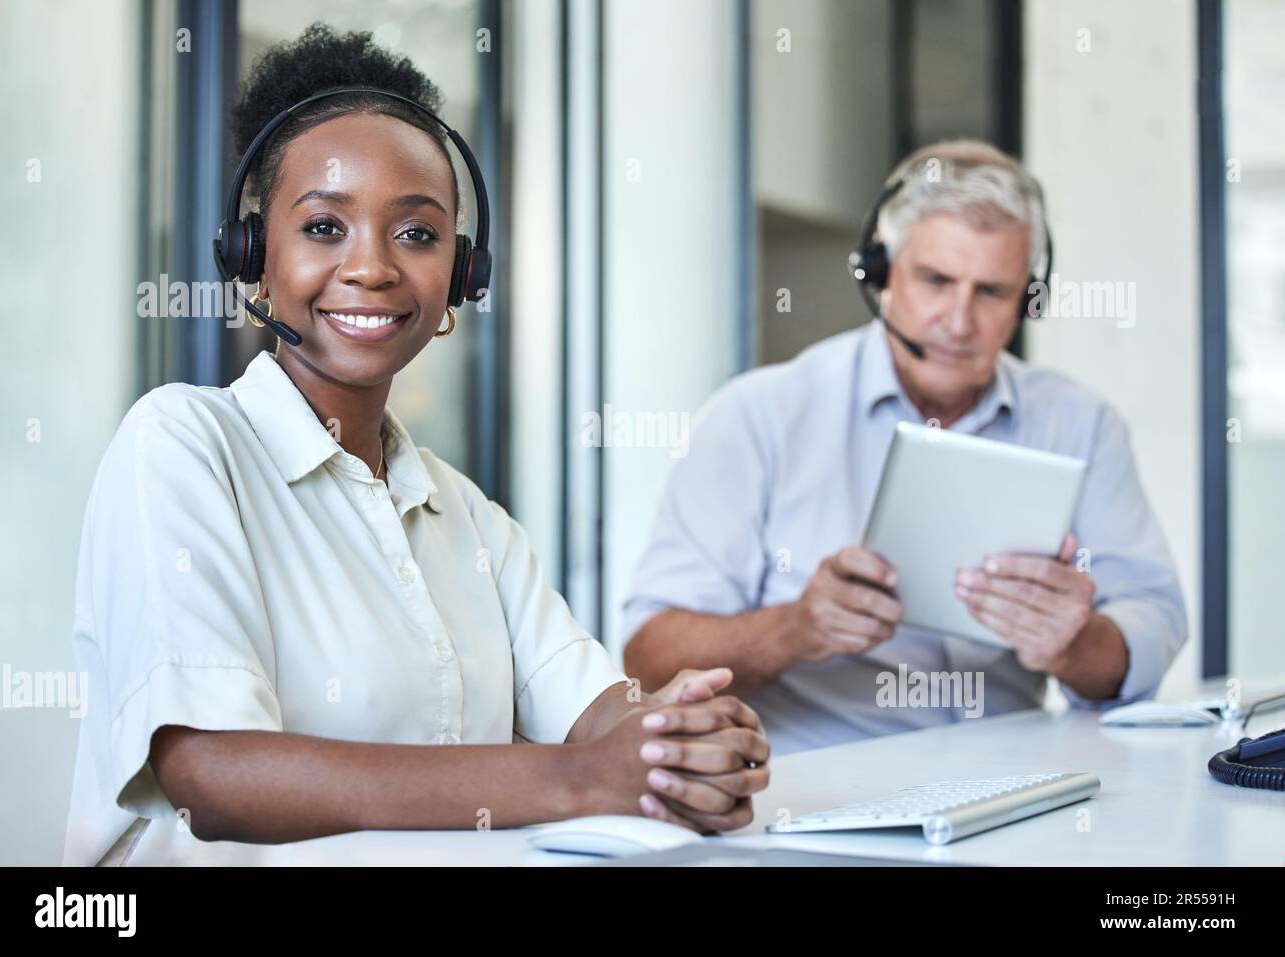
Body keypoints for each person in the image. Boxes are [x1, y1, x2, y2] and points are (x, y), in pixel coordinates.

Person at [63, 23, 767, 866]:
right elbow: (214, 774)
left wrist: (679, 733)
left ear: (463, 278)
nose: (372, 268)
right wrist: (582, 779)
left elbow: (600, 711)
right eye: (324, 227)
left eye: (418, 234)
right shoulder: (180, 444)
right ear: (252, 258)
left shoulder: (464, 514)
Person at [622, 140, 1187, 756]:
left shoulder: (1081, 422)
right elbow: (649, 659)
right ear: (882, 272)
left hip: (1014, 781)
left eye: (992, 292)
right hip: (814, 791)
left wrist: (1074, 645)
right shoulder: (756, 417)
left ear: (1029, 297)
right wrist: (795, 628)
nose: (959, 321)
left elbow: (1152, 617)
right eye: (936, 280)